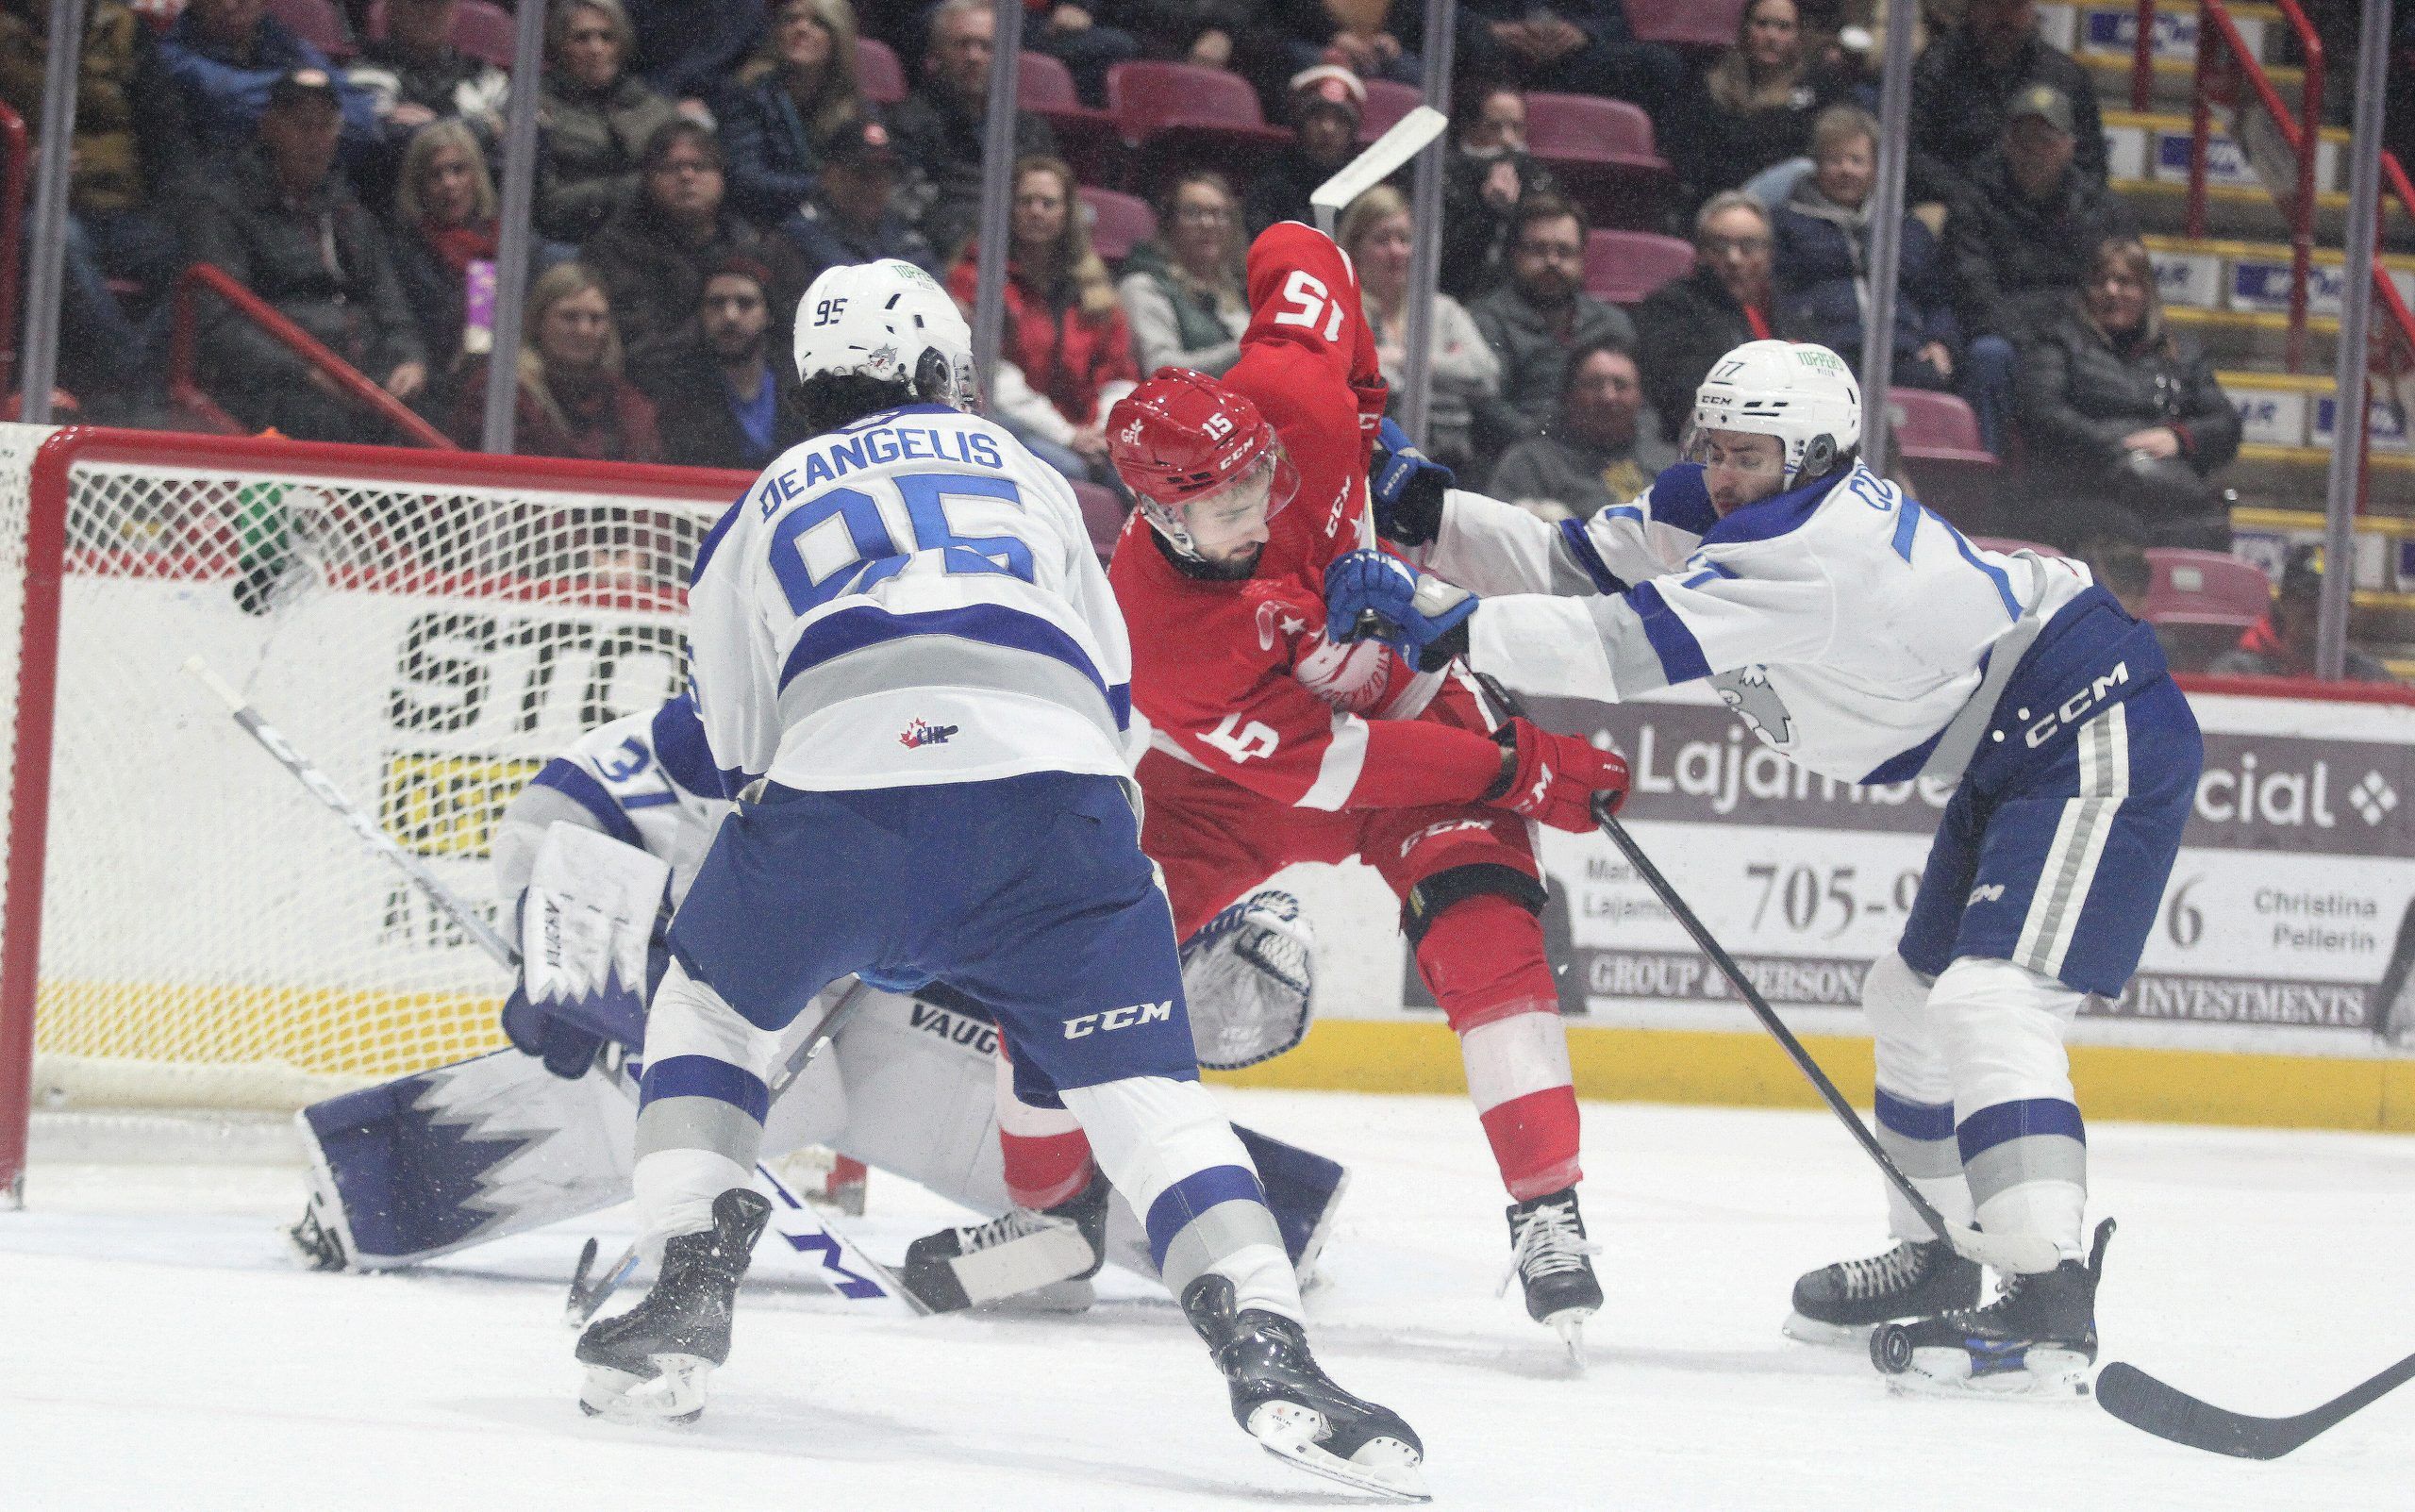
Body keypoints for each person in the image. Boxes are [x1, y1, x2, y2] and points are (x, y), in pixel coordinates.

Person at [574, 258, 1427, 1502]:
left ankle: (685, 1286)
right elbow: (1112, 700)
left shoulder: (766, 496)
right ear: (941, 371)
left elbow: (739, 747)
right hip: (1063, 815)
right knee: (1149, 1099)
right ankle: (1270, 1345)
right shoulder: (1029, 475)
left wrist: (854, 905)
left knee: (705, 1008)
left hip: (846, 807)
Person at [1326, 338, 2203, 1396]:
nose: (1724, 471)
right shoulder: (1733, 497)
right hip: (2010, 741)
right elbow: (1574, 564)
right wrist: (1432, 516)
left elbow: (1612, 643)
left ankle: (2046, 1298)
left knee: (1987, 1001)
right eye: (1716, 446)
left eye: (1749, 454)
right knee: (1911, 997)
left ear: (1816, 455)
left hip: (2090, 716)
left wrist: (1434, 619)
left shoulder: (1817, 553)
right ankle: (1939, 1249)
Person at [1057, 224, 1629, 1355]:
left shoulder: (1288, 402)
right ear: (1160, 516)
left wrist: (1368, 420)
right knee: (1087, 955)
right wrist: (1526, 763)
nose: (1263, 500)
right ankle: (1048, 1191)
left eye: (1264, 470)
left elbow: (1297, 249)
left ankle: (1547, 1207)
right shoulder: (1157, 632)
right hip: (1247, 783)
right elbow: (1336, 768)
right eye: (1229, 503)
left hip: (1408, 712)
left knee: (1487, 930)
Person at [184, 69, 427, 443]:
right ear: (271, 127)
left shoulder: (349, 210)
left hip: (364, 376)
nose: (315, 141)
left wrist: (409, 359)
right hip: (279, 384)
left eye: (325, 127)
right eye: (302, 126)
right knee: (323, 424)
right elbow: (221, 326)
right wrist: (302, 370)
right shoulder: (226, 207)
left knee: (431, 410)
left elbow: (391, 305)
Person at [0, 0, 190, 406]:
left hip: (121, 207)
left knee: (193, 258)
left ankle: (131, 374)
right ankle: (131, 379)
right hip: (34, 204)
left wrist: (169, 206)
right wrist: (18, 164)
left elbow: (163, 127)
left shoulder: (124, 32)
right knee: (54, 239)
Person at [1948, 83, 2140, 452]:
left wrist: (2065, 342)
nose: (2034, 152)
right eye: (2024, 140)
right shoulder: (1973, 199)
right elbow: (1973, 290)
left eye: (2046, 140)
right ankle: (1985, 489)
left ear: (2070, 147)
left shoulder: (2104, 209)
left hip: (2081, 339)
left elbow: (2118, 289)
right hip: (2006, 338)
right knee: (1988, 357)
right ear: (2005, 143)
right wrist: (2036, 344)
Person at [2014, 237, 2239, 552]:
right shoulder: (2058, 342)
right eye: (2100, 281)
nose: (2111, 291)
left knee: (2205, 527)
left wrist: (2178, 438)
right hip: (2082, 487)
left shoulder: (2181, 352)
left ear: (2146, 292)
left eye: (2125, 282)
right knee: (2123, 528)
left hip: (2167, 487)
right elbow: (2042, 411)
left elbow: (2226, 423)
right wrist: (2119, 447)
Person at [943, 156, 1140, 485]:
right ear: (1008, 209)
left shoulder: (1095, 290)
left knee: (1141, 474)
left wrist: (1104, 431)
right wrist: (1067, 435)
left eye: (1048, 203)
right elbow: (990, 377)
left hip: (1092, 432)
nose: (1036, 211)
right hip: (1014, 424)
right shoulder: (976, 279)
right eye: (1025, 201)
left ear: (1067, 213)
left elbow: (1117, 375)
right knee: (1072, 472)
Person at [581, 119, 805, 386]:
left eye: (699, 166)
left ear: (721, 176)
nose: (687, 176)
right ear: (648, 179)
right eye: (671, 168)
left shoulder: (757, 246)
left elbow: (793, 337)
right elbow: (638, 349)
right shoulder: (614, 250)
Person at [1773, 106, 1959, 392]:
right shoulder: (1786, 223)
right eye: (1835, 160)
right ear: (1817, 165)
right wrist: (1792, 339)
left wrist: (1939, 341)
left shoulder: (1907, 228)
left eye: (1856, 160)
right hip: (1824, 354)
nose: (1846, 170)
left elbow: (1936, 298)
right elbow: (1779, 294)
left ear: (1874, 168)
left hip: (1902, 350)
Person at [1341, 185, 1501, 474]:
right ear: (1354, 248)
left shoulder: (1443, 309)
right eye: (1382, 240)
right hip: (1370, 458)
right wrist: (1448, 370)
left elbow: (1486, 375)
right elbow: (1379, 389)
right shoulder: (1343, 310)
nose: (1397, 251)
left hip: (1453, 456)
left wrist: (1405, 360)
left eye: (1404, 239)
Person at [890, 0, 1058, 264]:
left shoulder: (1031, 130)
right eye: (961, 45)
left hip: (1024, 260)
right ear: (937, 53)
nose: (974, 57)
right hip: (942, 263)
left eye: (986, 47)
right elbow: (907, 214)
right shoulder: (908, 124)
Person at [1471, 192, 1638, 452]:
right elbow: (1489, 409)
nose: (1552, 262)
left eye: (1565, 251)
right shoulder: (1484, 320)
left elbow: (1642, 409)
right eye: (1538, 250)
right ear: (1515, 255)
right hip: (1519, 460)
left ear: (1582, 257)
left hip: (1606, 456)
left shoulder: (1611, 323)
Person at [453, 262, 662, 461]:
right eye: (569, 317)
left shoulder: (624, 400)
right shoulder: (501, 394)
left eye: (596, 318)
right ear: (538, 321)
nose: (584, 330)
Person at [1908, 0, 2106, 206]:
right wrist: (1966, 196)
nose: (2004, 17)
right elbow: (1912, 155)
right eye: (1994, 5)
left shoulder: (2065, 77)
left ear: (2031, 10)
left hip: (2042, 216)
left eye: (2015, 6)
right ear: (1973, 9)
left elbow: (2091, 166)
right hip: (1958, 210)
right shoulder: (1935, 69)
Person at [1632, 191, 1787, 443]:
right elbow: (1684, 397)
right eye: (1720, 246)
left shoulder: (1790, 309)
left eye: (1748, 246)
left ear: (1768, 253)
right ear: (1700, 253)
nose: (1734, 259)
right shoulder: (1671, 308)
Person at [159, 0, 382, 171]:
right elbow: (228, 99)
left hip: (307, 191)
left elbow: (364, 117)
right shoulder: (174, 60)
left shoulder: (284, 42)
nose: (229, 5)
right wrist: (318, 102)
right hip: (222, 196)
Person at [388, 119, 514, 418]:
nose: (449, 184)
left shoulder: (501, 243)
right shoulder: (404, 251)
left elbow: (481, 339)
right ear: (419, 186)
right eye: (436, 174)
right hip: (431, 386)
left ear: (476, 176)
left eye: (458, 170)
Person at [1666, 0, 1844, 211]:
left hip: (1790, 210)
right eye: (1762, 24)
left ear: (1798, 35)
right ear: (1745, 29)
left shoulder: (1818, 88)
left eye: (1783, 27)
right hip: (1718, 206)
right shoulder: (1711, 86)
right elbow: (1690, 162)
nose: (1771, 36)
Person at [534, 0, 682, 244]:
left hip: (653, 238)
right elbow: (547, 205)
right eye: (581, 38)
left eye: (606, 37)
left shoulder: (656, 109)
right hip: (572, 240)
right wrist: (632, 188)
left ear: (621, 45)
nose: (595, 48)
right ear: (561, 46)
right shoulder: (537, 107)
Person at [714, 0, 868, 231]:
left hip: (837, 222)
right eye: (791, 20)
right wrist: (823, 187)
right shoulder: (750, 94)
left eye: (817, 23)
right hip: (769, 224)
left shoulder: (855, 105)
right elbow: (746, 179)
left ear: (838, 37)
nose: (801, 28)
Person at [649, 258, 813, 471]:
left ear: (769, 314)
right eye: (717, 303)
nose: (730, 316)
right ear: (701, 314)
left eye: (745, 303)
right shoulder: (674, 391)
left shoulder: (801, 381)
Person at [1486, 341, 1674, 520]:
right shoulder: (1529, 464)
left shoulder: (1669, 464)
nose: (1608, 397)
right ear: (1569, 394)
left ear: (1640, 396)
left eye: (1621, 385)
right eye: (1594, 384)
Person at [1117, 171, 1252, 378]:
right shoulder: (1144, 285)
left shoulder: (1238, 285)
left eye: (1219, 213)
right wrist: (1248, 349)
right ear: (1169, 223)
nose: (1208, 224)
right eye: (1193, 213)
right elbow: (1160, 368)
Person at [1439, 77, 1559, 302]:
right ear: (1469, 128)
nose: (1508, 140)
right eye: (1495, 127)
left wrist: (1512, 211)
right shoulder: (1442, 175)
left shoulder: (1537, 177)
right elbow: (1444, 259)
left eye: (1517, 127)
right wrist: (1486, 212)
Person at [778, 116, 940, 283]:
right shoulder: (804, 232)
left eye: (884, 173)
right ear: (830, 175)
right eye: (863, 172)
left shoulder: (899, 231)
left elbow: (932, 284)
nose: (874, 184)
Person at [2209, 545, 2400, 683]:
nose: (2320, 611)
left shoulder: (2368, 678)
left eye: (2333, 604)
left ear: (2349, 611)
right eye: (2307, 599)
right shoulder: (2239, 672)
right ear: (2283, 603)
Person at [349, 0, 510, 148]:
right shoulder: (364, 70)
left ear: (453, 11)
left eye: (438, 4)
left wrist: (430, 124)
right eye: (418, 3)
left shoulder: (480, 74)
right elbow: (382, 136)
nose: (429, 13)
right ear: (392, 9)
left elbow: (511, 126)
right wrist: (481, 127)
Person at [1242, 64, 1365, 239]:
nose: (1327, 128)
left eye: (1339, 120)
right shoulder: (1271, 181)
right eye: (1317, 117)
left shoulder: (1363, 184)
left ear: (1352, 132)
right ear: (1299, 124)